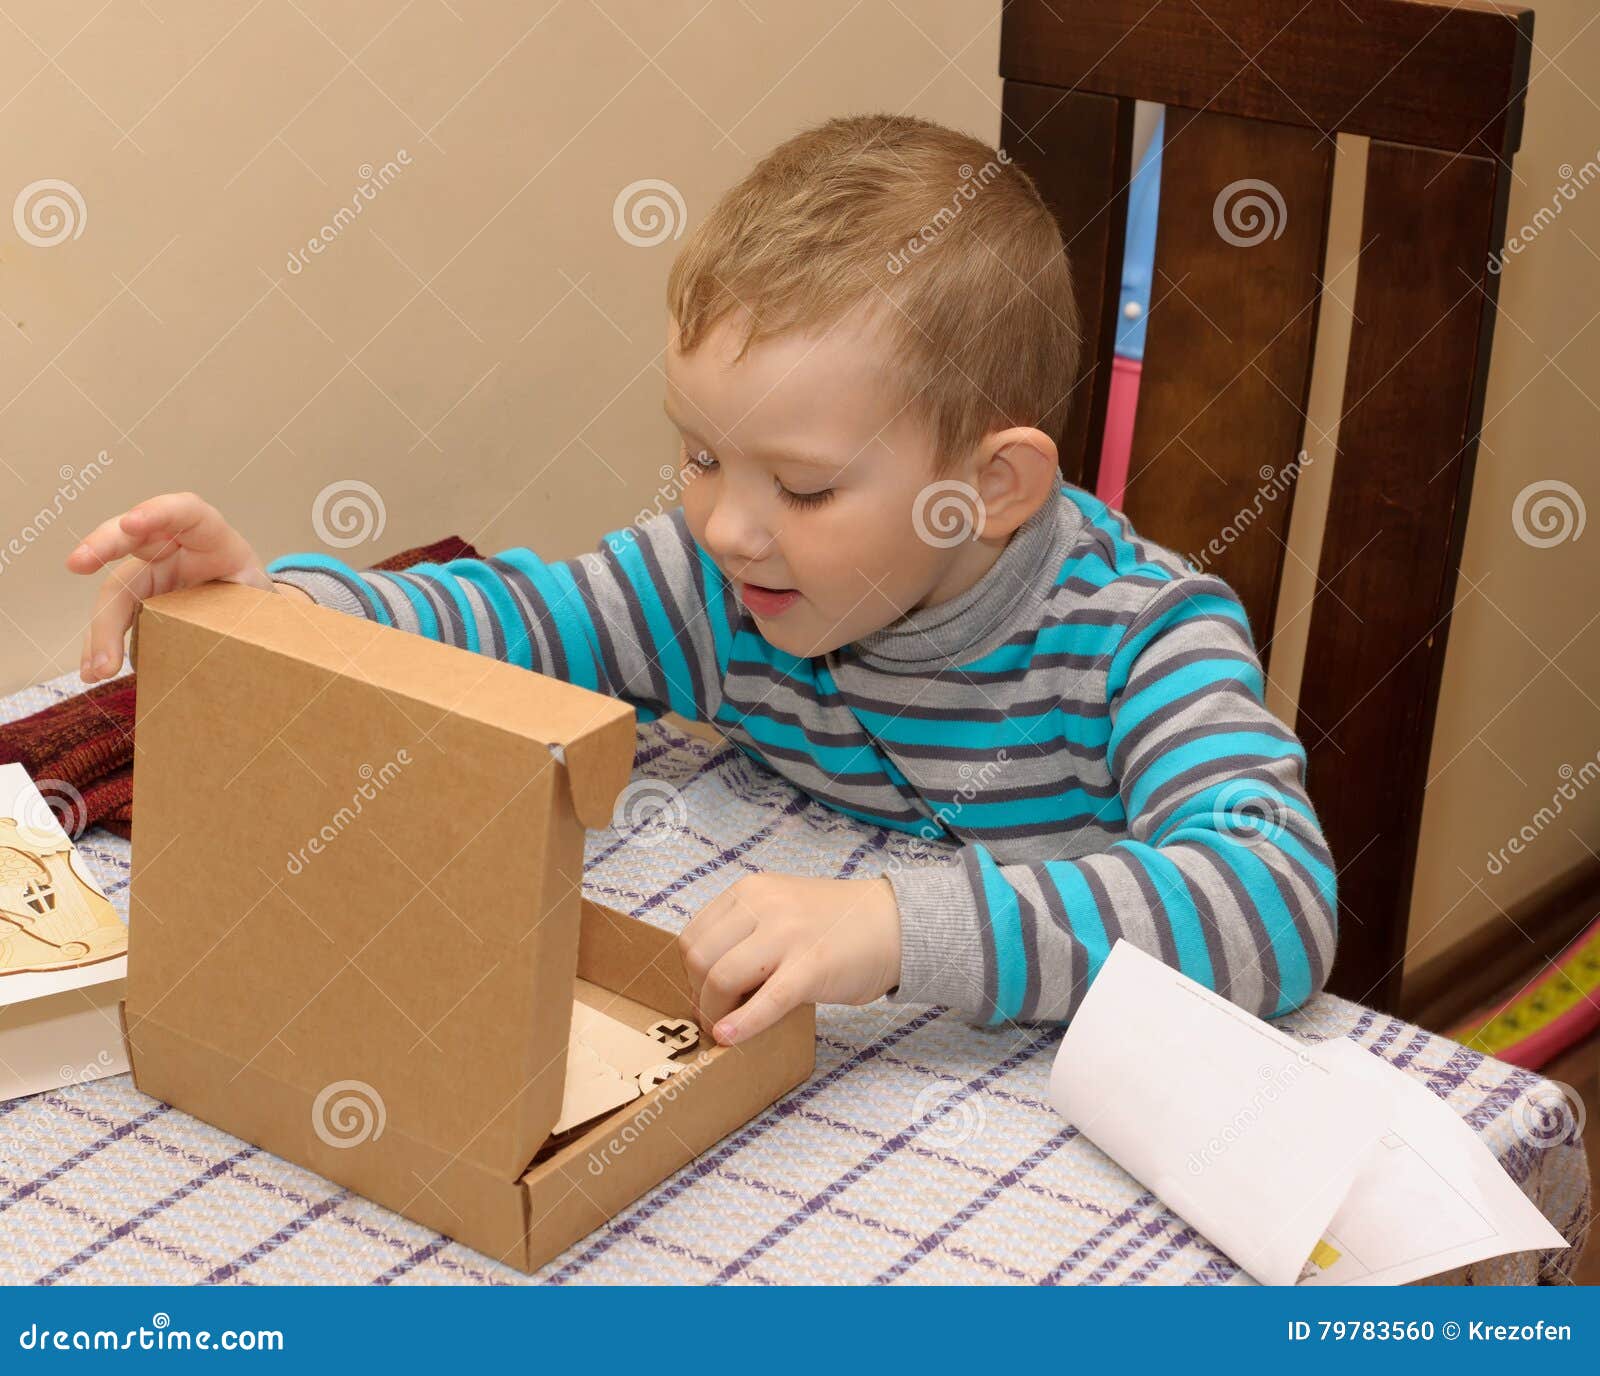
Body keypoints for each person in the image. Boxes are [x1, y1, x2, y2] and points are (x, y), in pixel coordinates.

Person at [67, 113, 1336, 1050]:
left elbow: (1274, 900)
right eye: (698, 454)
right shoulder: (721, 584)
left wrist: (894, 929)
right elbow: (516, 619)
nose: (727, 526)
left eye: (804, 486)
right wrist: (289, 608)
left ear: (991, 486)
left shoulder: (1139, 639)